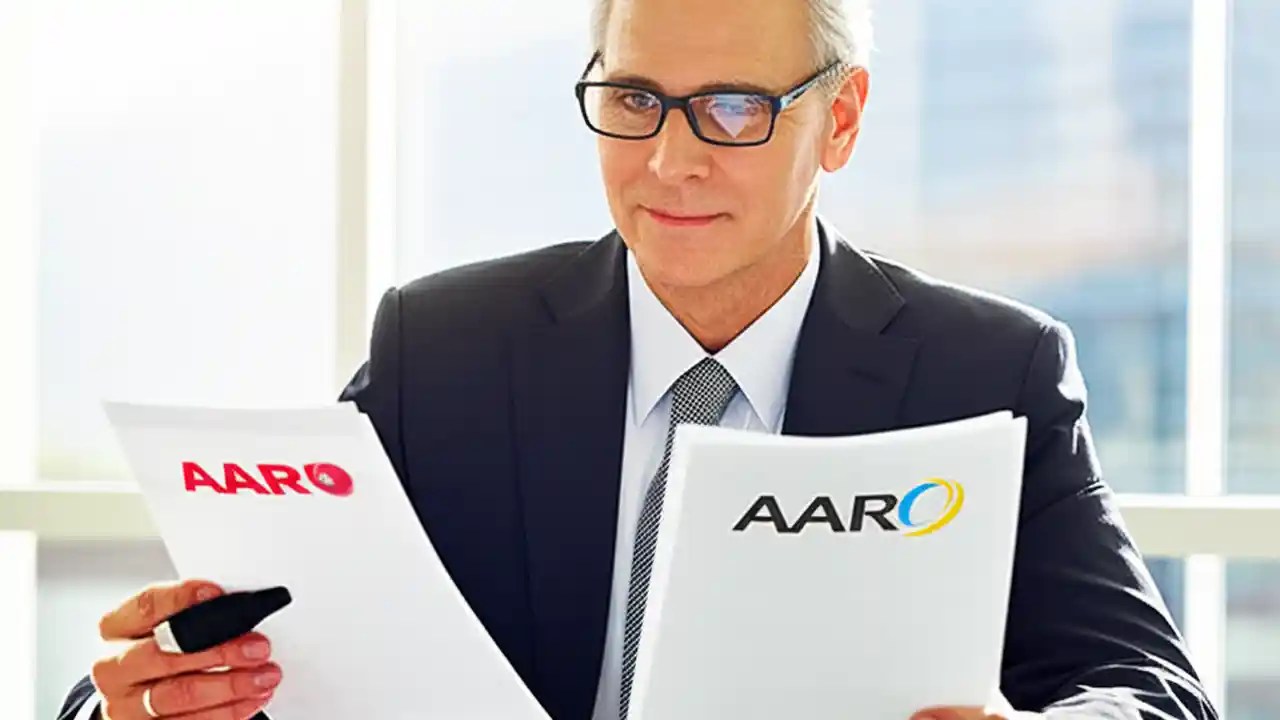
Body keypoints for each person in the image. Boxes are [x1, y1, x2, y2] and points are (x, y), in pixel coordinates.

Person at [59, 0, 1219, 718]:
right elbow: (252, 640)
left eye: (730, 111)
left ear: (844, 118)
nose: (667, 162)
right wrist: (150, 699)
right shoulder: (448, 352)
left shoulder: (986, 372)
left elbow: (1152, 694)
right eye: (632, 100)